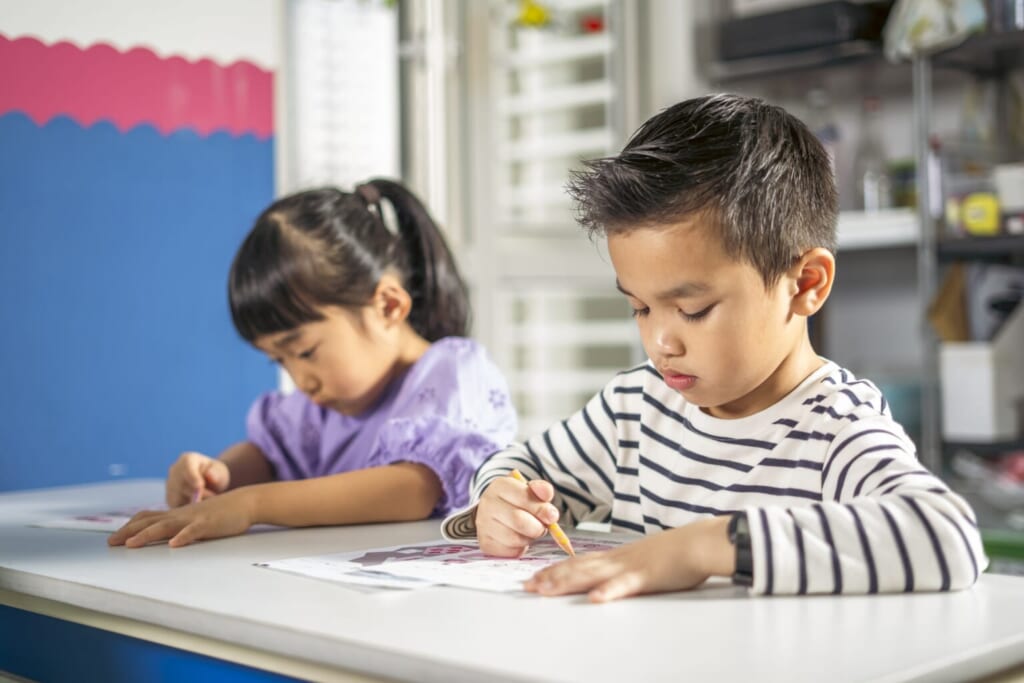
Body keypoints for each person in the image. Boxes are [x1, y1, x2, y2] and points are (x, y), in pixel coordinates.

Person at [442, 94, 986, 601]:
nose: (660, 341)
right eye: (640, 307)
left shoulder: (834, 429)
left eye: (694, 310)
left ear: (806, 284)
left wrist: (704, 547)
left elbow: (948, 537)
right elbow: (521, 466)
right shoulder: (637, 407)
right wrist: (502, 502)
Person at [109, 179, 516, 548]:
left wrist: (250, 504)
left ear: (388, 306)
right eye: (280, 361)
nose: (301, 381)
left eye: (305, 352)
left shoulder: (455, 372)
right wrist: (221, 475)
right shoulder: (325, 406)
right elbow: (269, 455)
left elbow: (413, 488)